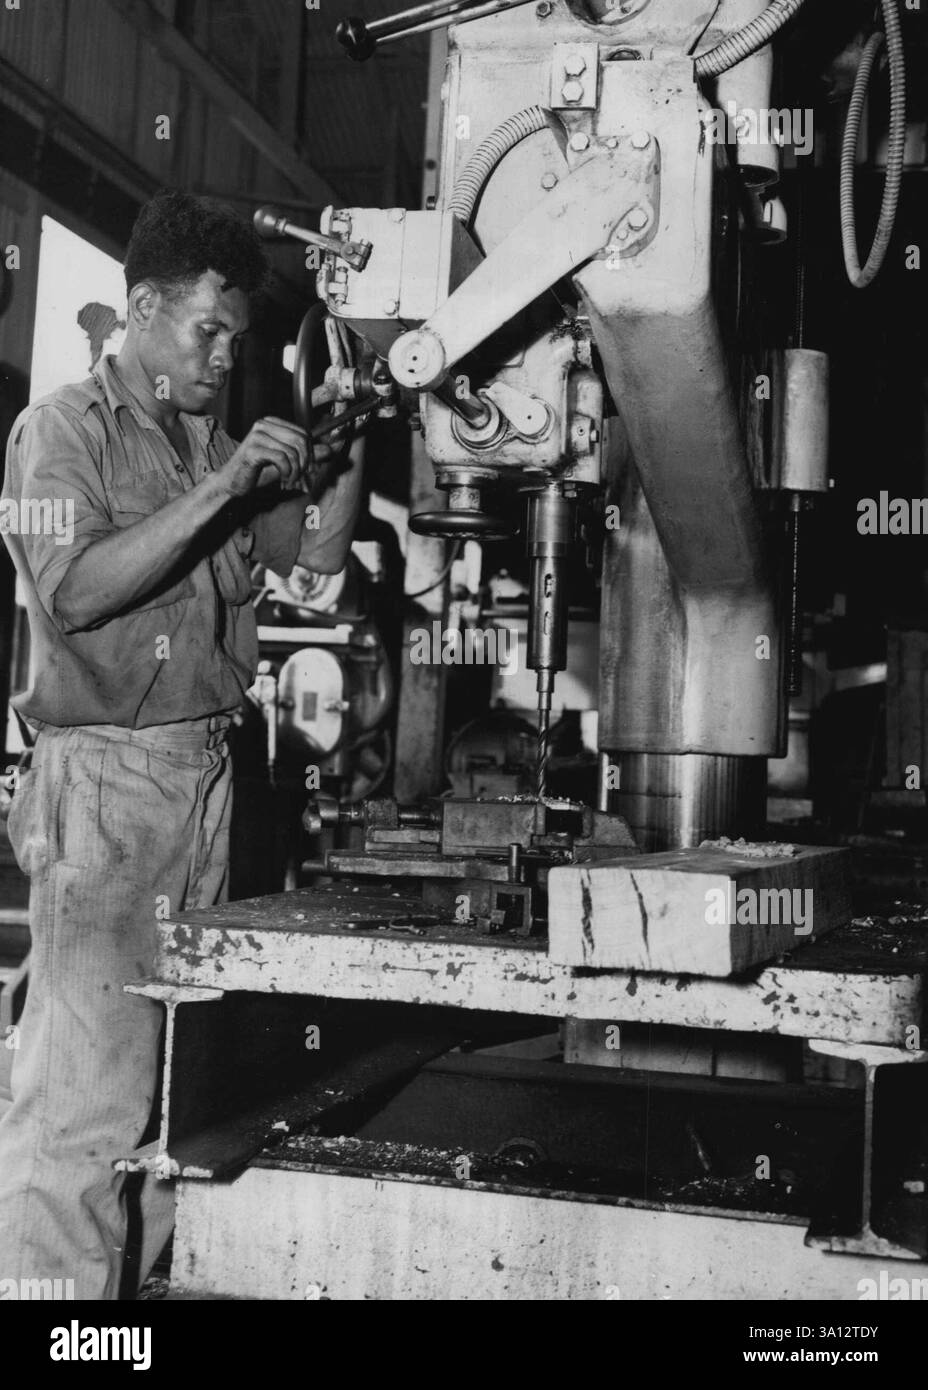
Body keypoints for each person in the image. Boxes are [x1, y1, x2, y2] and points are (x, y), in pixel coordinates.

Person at [0, 190, 364, 1299]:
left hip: (212, 776)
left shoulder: (212, 438)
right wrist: (222, 486)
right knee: (83, 1104)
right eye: (206, 330)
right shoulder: (60, 431)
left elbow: (309, 564)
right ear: (141, 310)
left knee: (178, 1094)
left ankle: (134, 1311)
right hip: (105, 785)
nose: (222, 354)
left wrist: (341, 453)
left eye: (237, 339)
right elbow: (73, 593)